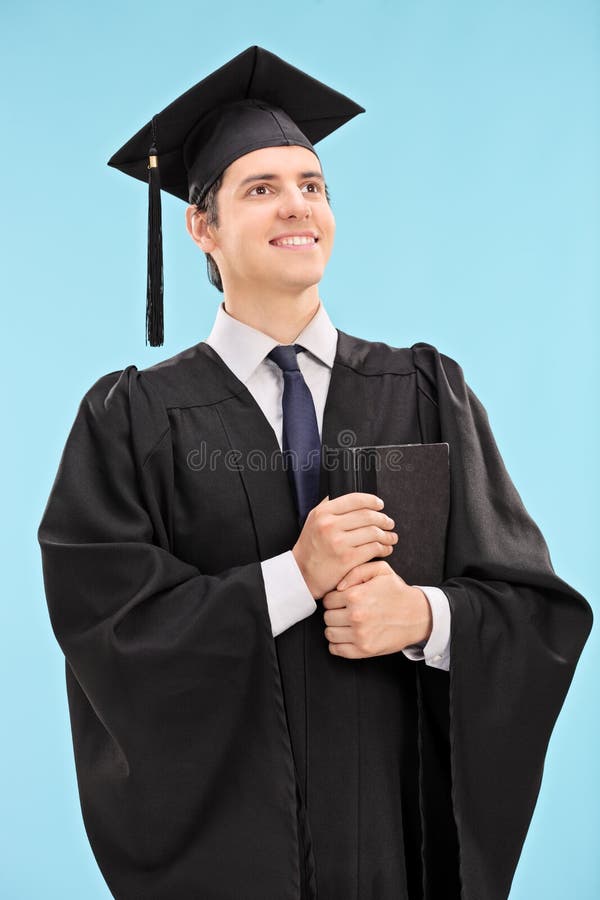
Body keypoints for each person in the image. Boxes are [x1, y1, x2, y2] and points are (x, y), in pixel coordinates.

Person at [38, 46, 592, 900]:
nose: (298, 205)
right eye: (261, 188)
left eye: (313, 185)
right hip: (232, 866)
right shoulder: (132, 418)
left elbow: (533, 613)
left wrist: (424, 618)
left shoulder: (424, 389)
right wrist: (294, 578)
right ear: (202, 226)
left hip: (396, 856)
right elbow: (109, 630)